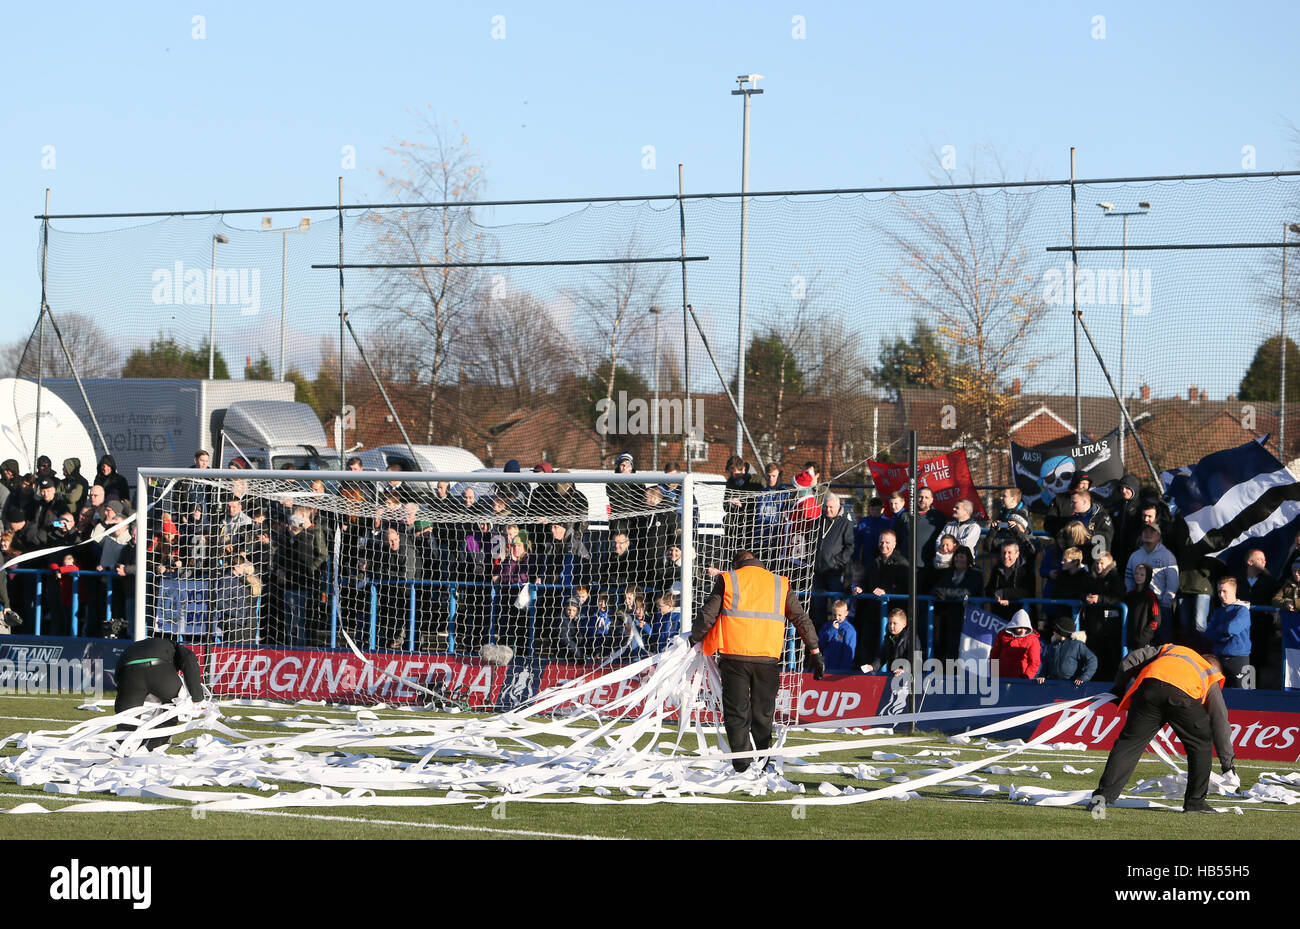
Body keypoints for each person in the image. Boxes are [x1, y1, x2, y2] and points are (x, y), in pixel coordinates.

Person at [689, 550, 824, 773]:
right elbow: (801, 618)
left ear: (736, 564)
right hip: (767, 658)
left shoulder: (728, 579)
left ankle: (742, 765)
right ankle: (763, 761)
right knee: (763, 713)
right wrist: (815, 650)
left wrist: (693, 638)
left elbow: (707, 615)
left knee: (737, 713)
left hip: (734, 657)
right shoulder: (780, 583)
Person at [1091, 644, 1237, 814]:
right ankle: (1195, 803)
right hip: (1183, 697)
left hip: (1149, 688)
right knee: (1200, 745)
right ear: (1215, 669)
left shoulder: (1171, 649)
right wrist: (1228, 765)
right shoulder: (1209, 673)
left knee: (1128, 745)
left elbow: (1131, 659)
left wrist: (1118, 688)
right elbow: (1220, 722)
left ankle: (1101, 798)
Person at [113, 636, 206, 751]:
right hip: (161, 671)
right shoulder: (175, 646)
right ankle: (150, 750)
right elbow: (189, 658)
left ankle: (114, 751)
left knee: (127, 723)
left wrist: (124, 692)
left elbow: (118, 674)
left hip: (128, 673)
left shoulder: (134, 647)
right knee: (171, 714)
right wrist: (197, 697)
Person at [1205, 577, 1251, 687]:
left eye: (1224, 591)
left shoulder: (1242, 610)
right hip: (1218, 659)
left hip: (1239, 659)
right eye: (1219, 591)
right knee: (1219, 695)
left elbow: (1231, 629)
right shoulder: (1218, 612)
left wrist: (1219, 632)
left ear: (1234, 591)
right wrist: (1224, 633)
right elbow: (1208, 634)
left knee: (1244, 697)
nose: (1221, 595)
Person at [1037, 616, 1098, 685]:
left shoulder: (1077, 645)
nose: (1053, 632)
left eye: (1056, 629)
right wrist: (1042, 675)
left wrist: (1083, 677)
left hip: (1072, 684)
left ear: (1062, 631)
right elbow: (1046, 662)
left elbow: (1092, 659)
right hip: (1054, 684)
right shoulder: (1053, 645)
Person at [990, 609, 1041, 679]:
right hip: (1002, 676)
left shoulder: (1033, 639)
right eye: (1020, 628)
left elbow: (1034, 662)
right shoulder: (1002, 635)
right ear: (1014, 626)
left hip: (1020, 678)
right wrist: (994, 675)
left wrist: (1026, 677)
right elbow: (994, 655)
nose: (1022, 631)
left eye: (1025, 628)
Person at [862, 607, 911, 675]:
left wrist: (903, 669)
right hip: (894, 674)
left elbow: (916, 659)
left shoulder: (911, 639)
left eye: (894, 623)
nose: (891, 626)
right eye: (889, 623)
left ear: (904, 624)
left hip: (908, 677)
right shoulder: (888, 637)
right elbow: (882, 656)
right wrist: (873, 666)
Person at [817, 599, 858, 674]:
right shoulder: (827, 626)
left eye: (839, 615)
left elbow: (849, 653)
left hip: (841, 670)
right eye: (834, 614)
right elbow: (821, 644)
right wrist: (832, 630)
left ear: (846, 613)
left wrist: (843, 671)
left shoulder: (849, 630)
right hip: (827, 667)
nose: (836, 617)